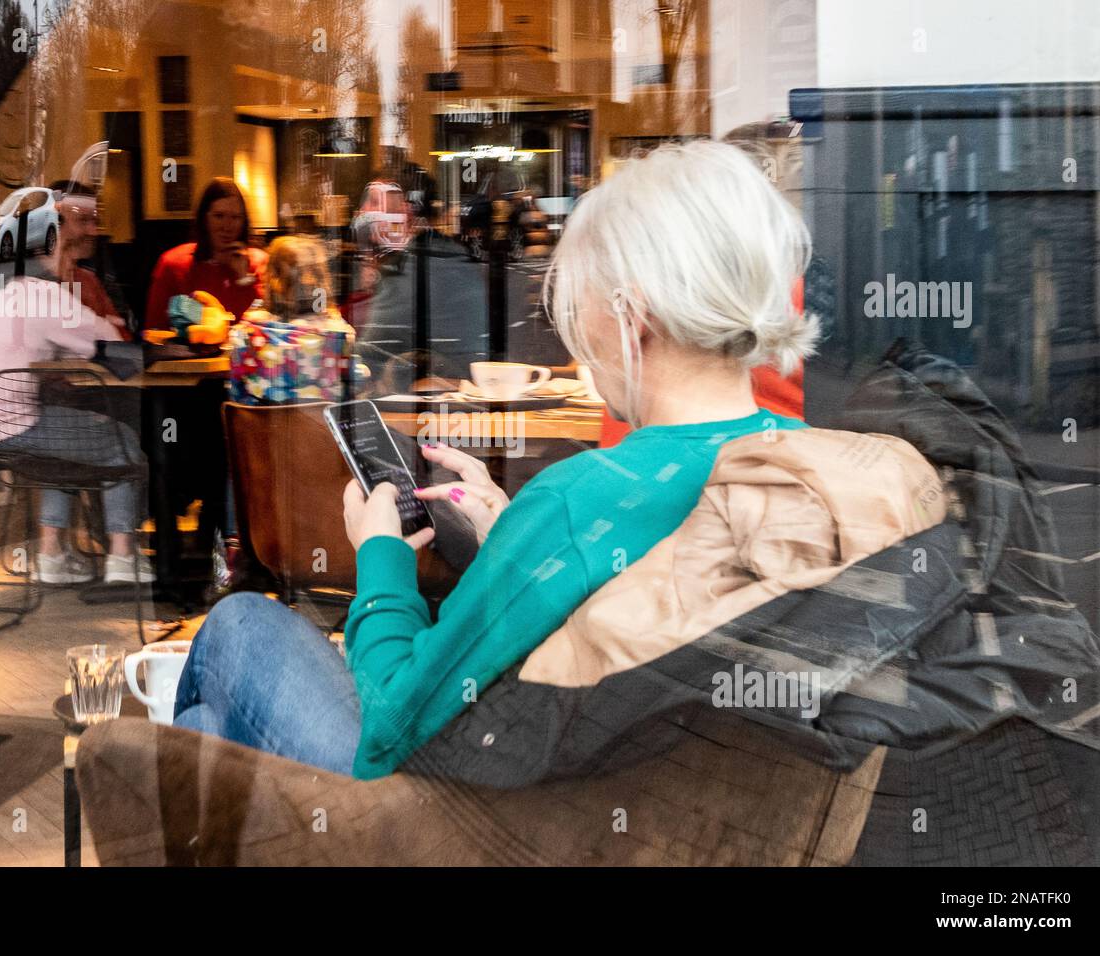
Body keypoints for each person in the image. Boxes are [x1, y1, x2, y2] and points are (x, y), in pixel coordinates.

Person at [172, 140, 819, 778]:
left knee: (239, 622)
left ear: (635, 310)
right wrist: (511, 544)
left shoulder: (579, 500)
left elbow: (391, 718)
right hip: (637, 790)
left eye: (584, 292)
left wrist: (381, 556)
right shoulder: (809, 470)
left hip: (446, 811)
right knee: (209, 731)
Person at [0, 180, 154, 585]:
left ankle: (52, 556)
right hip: (16, 430)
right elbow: (110, 343)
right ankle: (123, 559)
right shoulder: (38, 294)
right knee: (121, 440)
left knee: (70, 439)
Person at [144, 177, 267, 330]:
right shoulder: (173, 263)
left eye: (235, 217)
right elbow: (154, 329)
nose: (227, 226)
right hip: (190, 351)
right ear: (205, 218)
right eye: (219, 216)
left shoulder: (259, 262)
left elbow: (266, 325)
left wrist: (244, 279)